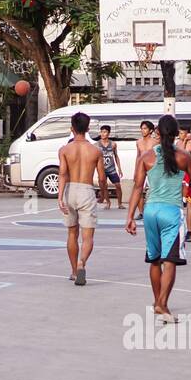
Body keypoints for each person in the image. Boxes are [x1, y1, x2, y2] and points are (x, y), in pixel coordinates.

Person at [125, 115, 191, 324]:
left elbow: (137, 188)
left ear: (157, 133)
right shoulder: (184, 157)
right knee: (170, 261)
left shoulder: (146, 157)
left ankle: (158, 302)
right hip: (171, 212)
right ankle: (162, 303)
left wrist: (130, 216)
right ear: (176, 133)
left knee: (154, 259)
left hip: (151, 211)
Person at [57, 113, 102, 285]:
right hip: (86, 189)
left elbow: (62, 174)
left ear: (72, 129)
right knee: (88, 235)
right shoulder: (95, 150)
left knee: (72, 233)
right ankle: (82, 261)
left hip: (70, 190)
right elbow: (102, 177)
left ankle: (74, 272)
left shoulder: (64, 150)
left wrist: (60, 197)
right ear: (88, 128)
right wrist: (104, 193)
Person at [132, 120, 157, 222]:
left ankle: (154, 211)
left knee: (154, 191)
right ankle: (141, 212)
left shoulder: (155, 142)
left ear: (150, 130)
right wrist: (135, 170)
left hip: (152, 168)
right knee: (138, 190)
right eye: (142, 128)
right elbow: (138, 156)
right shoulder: (139, 142)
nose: (143, 130)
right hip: (141, 168)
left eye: (145, 128)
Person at [96, 124, 124, 210]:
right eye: (102, 132)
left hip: (111, 169)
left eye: (105, 132)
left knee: (117, 185)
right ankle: (108, 202)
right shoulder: (96, 145)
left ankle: (120, 203)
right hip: (102, 169)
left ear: (108, 133)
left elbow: (116, 156)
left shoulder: (113, 144)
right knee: (104, 186)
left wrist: (119, 168)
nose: (103, 134)